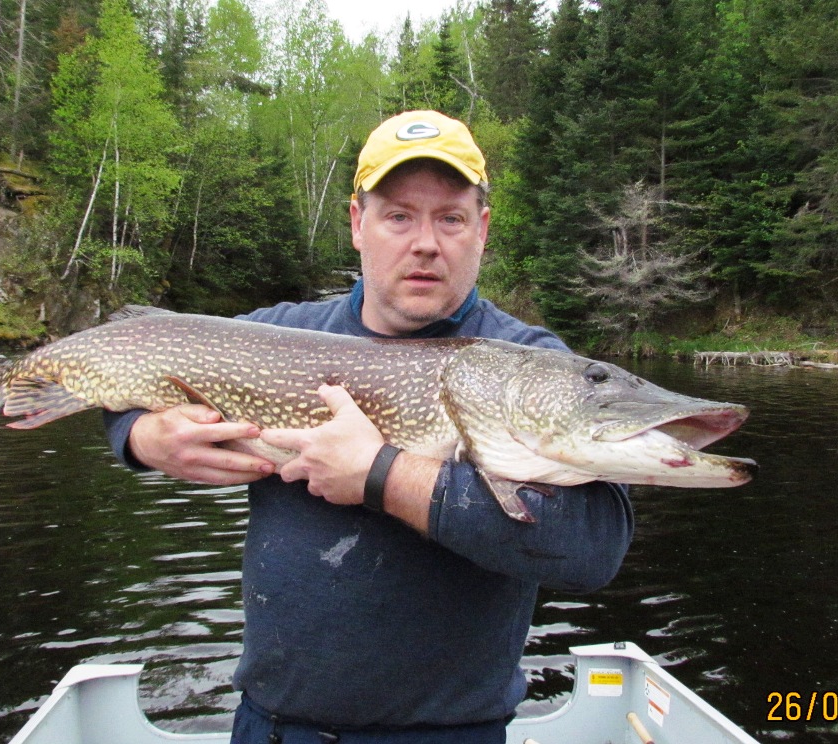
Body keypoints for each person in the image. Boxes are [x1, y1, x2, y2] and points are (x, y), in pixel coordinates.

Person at [105, 110, 633, 744]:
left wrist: (382, 475)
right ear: (358, 224)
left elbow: (594, 547)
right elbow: (133, 352)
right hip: (275, 726)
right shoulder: (279, 332)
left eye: (451, 218)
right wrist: (141, 438)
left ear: (482, 230)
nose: (426, 243)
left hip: (451, 734)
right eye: (399, 216)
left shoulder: (529, 362)